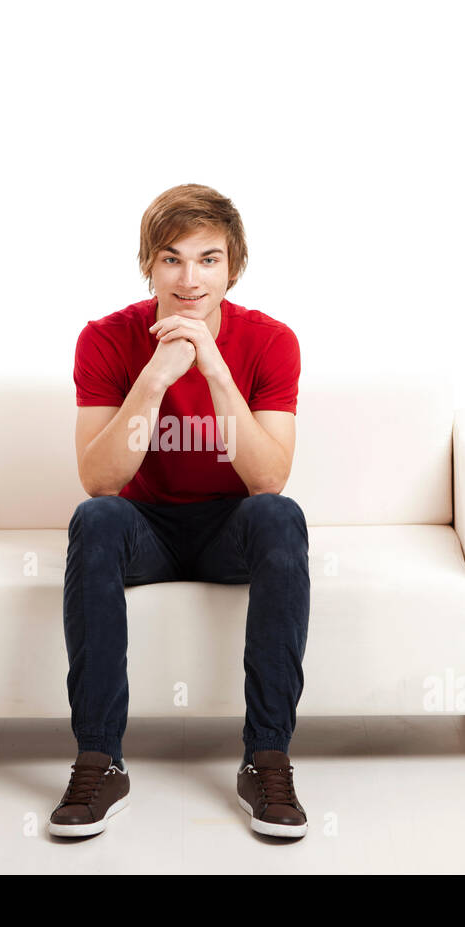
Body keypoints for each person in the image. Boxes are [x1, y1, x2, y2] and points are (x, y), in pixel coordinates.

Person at [48, 184, 311, 840]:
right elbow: (100, 480)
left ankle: (267, 757)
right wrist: (155, 378)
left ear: (234, 267)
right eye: (171, 260)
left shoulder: (271, 341)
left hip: (231, 525)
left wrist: (216, 369)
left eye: (208, 260)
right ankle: (100, 758)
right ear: (148, 265)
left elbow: (267, 477)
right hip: (146, 530)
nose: (190, 279)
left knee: (282, 516)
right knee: (95, 521)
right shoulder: (106, 340)